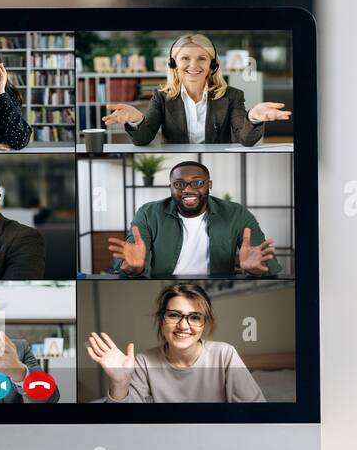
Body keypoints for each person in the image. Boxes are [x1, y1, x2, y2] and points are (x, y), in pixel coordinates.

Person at [101, 33, 290, 147]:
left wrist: (253, 118)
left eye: (202, 58)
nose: (194, 65)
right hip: (177, 166)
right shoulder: (161, 97)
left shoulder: (232, 96)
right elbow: (144, 138)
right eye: (185, 58)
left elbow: (246, 139)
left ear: (213, 64)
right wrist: (136, 120)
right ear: (174, 63)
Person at [86, 284, 265, 403]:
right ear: (161, 320)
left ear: (205, 324)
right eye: (174, 315)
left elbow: (256, 413)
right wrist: (120, 383)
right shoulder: (144, 362)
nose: (183, 325)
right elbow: (122, 425)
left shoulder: (224, 355)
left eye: (194, 317)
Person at [109, 161, 281, 278]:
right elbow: (129, 262)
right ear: (171, 187)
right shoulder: (148, 213)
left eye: (197, 183)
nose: (188, 190)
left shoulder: (236, 214)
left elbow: (270, 266)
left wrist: (256, 270)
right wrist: (135, 268)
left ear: (209, 185)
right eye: (179, 184)